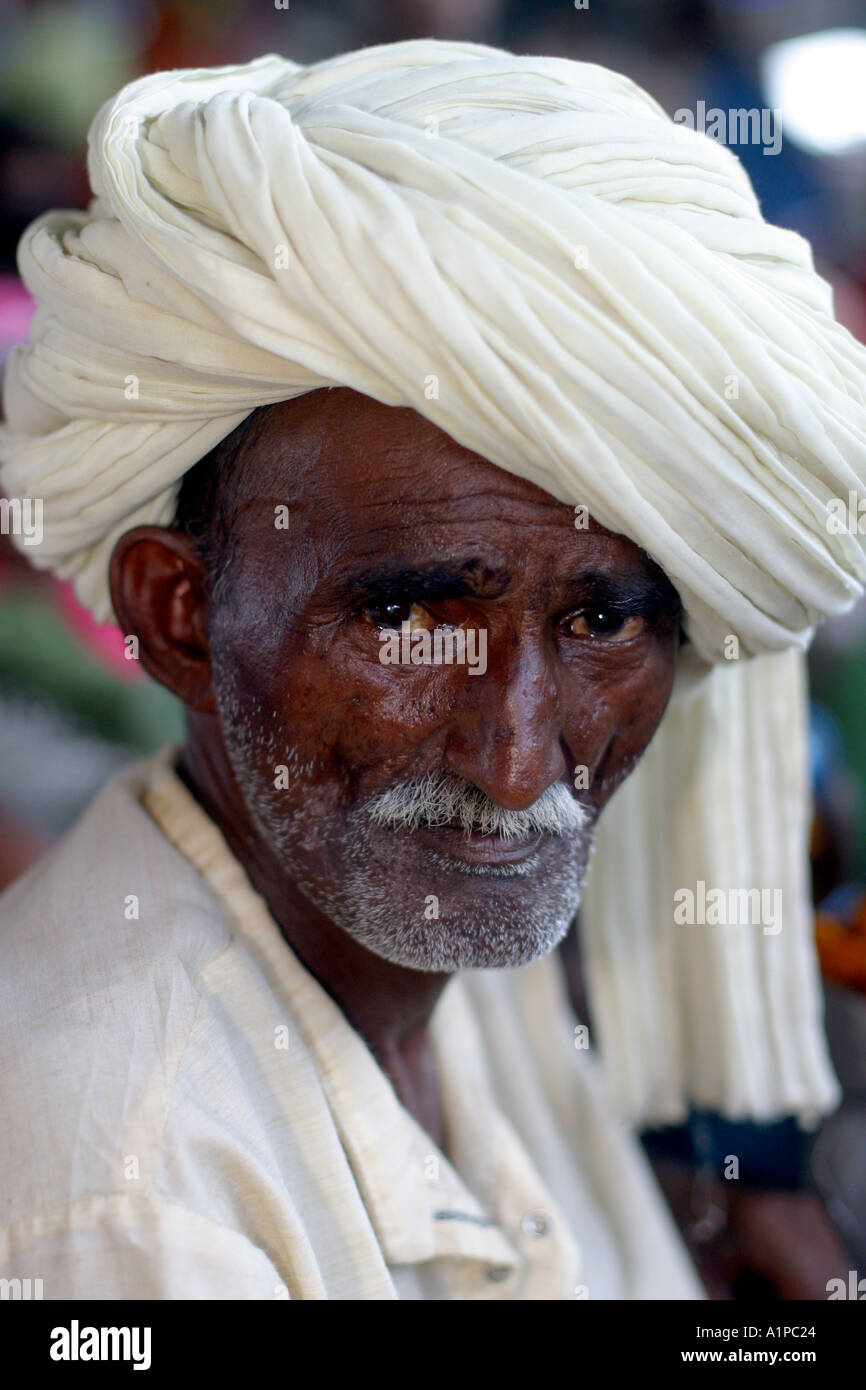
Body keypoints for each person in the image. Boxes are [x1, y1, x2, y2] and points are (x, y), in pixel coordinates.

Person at [1, 39, 865, 1300]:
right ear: (178, 616)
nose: (515, 768)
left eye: (602, 623)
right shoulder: (133, 1207)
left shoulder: (456, 984)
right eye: (405, 618)